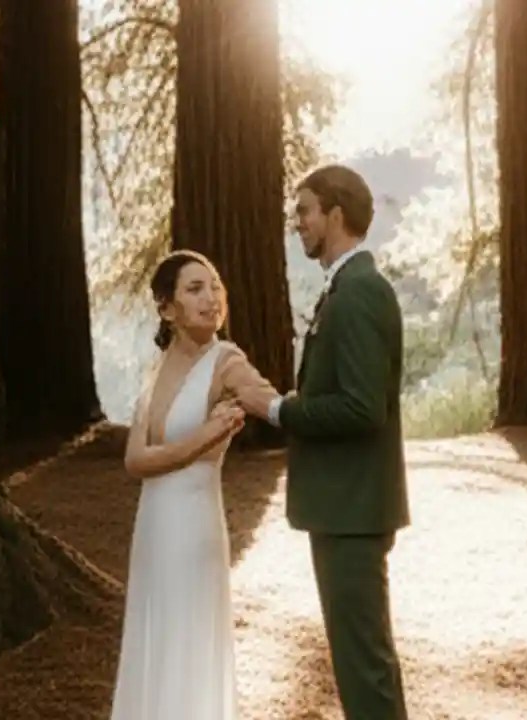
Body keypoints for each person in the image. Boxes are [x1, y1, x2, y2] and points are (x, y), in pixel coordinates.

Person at [236, 164, 410, 719]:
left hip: (352, 507)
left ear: (336, 214)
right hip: (344, 506)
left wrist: (281, 408)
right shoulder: (348, 288)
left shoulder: (359, 292)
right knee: (358, 660)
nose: (298, 223)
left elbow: (363, 408)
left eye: (305, 210)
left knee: (364, 664)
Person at [110, 249, 275, 720]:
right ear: (167, 308)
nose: (211, 298)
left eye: (216, 287)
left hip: (195, 526)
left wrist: (317, 413)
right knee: (155, 631)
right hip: (153, 528)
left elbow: (268, 400)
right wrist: (205, 435)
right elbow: (136, 460)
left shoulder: (226, 360)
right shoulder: (155, 370)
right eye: (195, 288)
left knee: (189, 637)